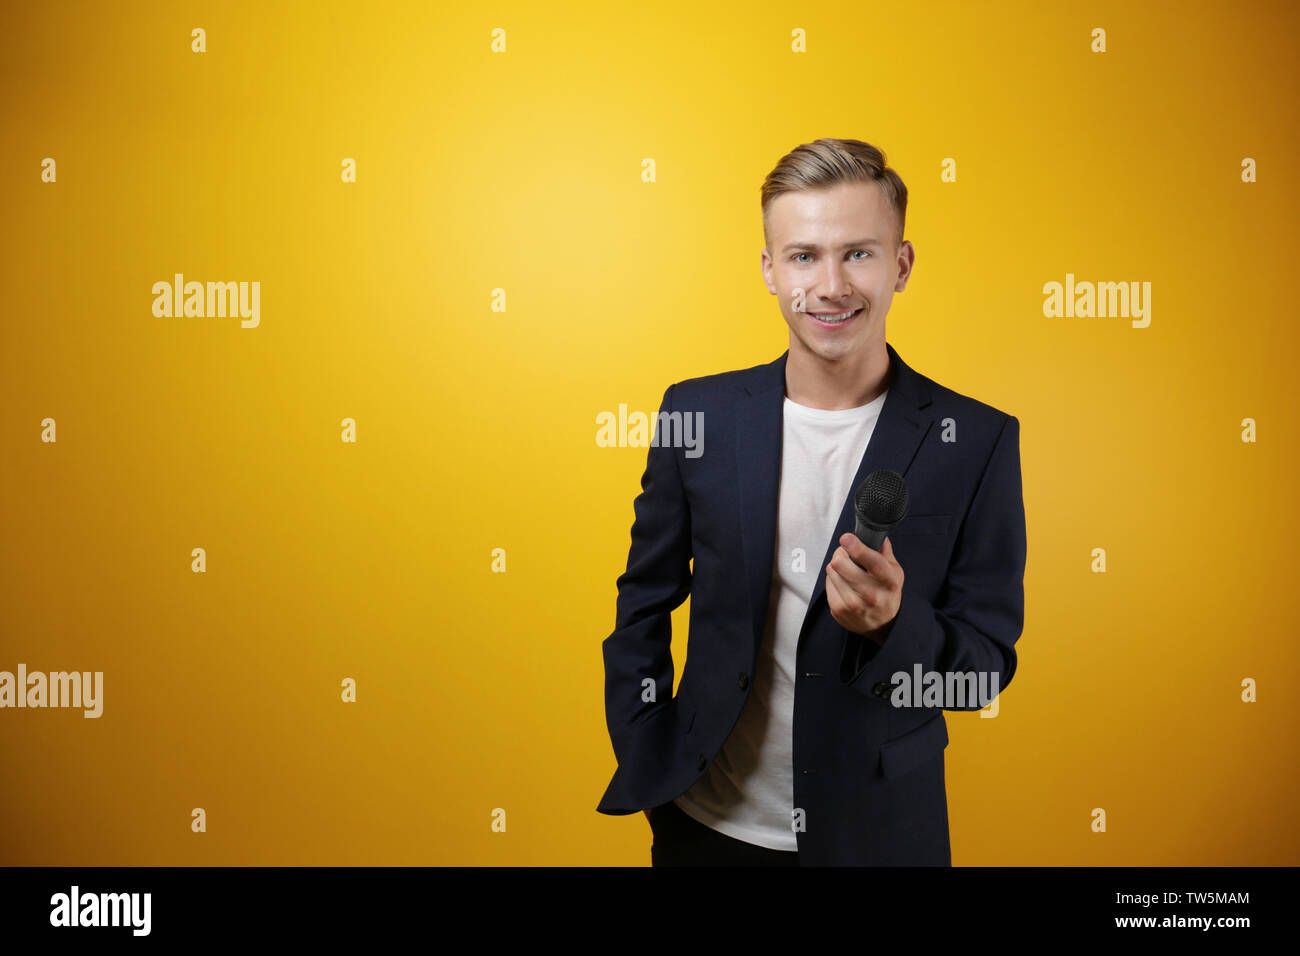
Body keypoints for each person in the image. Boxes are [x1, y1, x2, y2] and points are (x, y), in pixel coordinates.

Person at [597, 138, 1027, 866]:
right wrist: (648, 746)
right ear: (770, 270)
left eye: (858, 253)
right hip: (704, 826)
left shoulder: (977, 440)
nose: (831, 285)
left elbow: (985, 669)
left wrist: (897, 626)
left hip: (880, 837)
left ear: (901, 264)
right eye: (803, 256)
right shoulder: (695, 414)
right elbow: (642, 603)